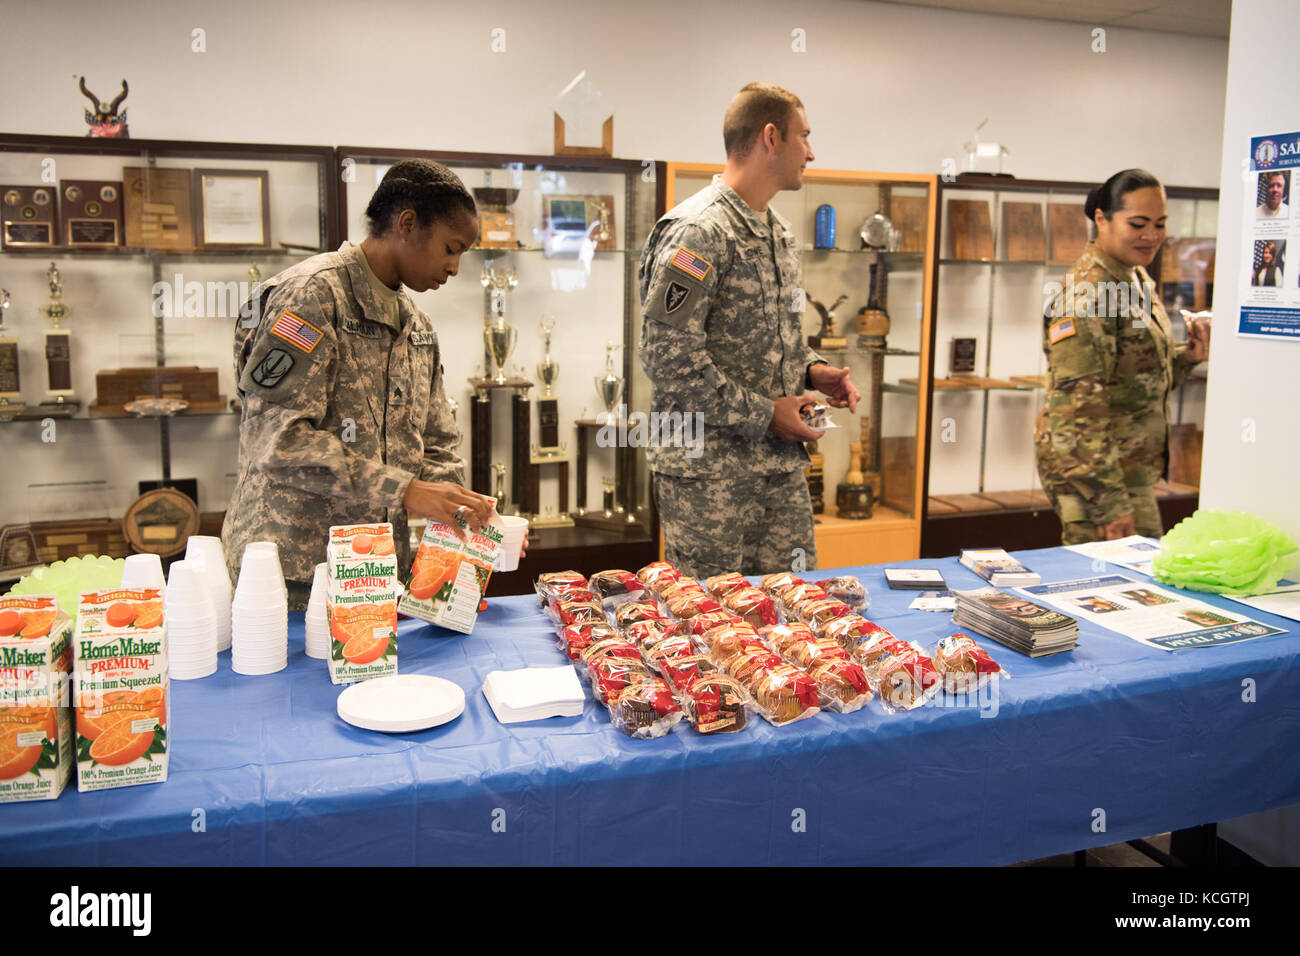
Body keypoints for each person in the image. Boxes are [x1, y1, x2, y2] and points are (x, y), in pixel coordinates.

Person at [222, 159, 499, 607]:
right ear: (407, 224)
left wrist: (462, 535)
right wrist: (406, 491)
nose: (454, 267)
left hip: (377, 573)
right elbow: (276, 441)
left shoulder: (417, 325)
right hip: (295, 575)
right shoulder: (311, 298)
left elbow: (437, 443)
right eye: (451, 248)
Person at [638, 82, 860, 578]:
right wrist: (766, 414)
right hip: (709, 476)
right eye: (804, 136)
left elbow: (771, 340)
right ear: (770, 138)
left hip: (778, 468)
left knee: (794, 614)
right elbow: (668, 360)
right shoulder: (698, 232)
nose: (811, 151)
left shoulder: (776, 231)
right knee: (714, 627)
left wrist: (813, 369)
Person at [1035, 168, 1210, 545]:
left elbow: (1134, 378)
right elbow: (1076, 411)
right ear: (1102, 219)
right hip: (1093, 475)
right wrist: (1109, 505)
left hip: (1127, 468)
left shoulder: (1133, 277)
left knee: (1140, 579)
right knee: (1105, 589)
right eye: (1138, 223)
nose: (1152, 236)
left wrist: (1186, 357)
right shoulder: (1088, 295)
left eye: (1160, 224)